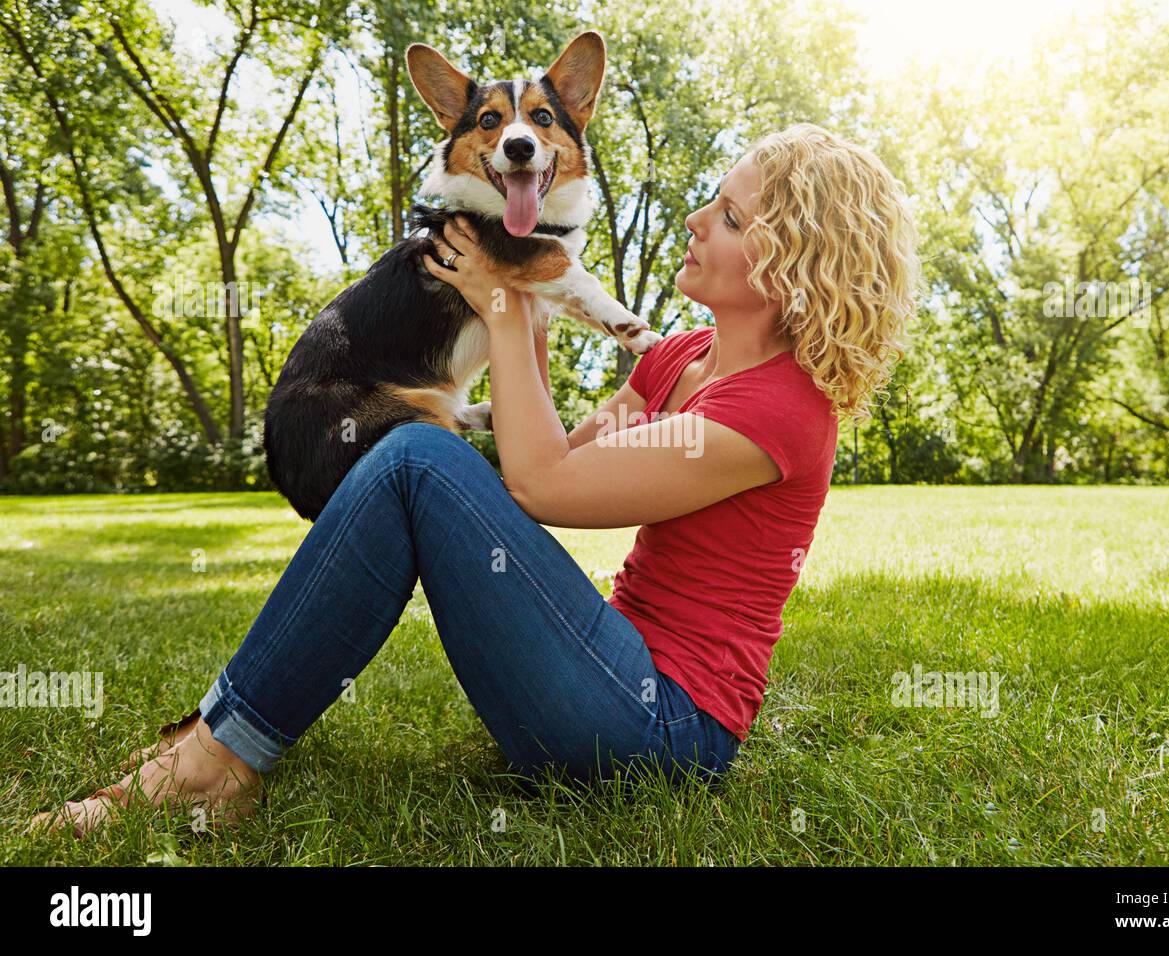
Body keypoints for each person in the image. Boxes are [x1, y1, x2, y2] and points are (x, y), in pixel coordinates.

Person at [29, 122, 920, 836]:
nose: (695, 220)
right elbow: (562, 456)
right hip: (603, 670)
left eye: (727, 216)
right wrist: (514, 298)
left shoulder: (782, 409)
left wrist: (498, 302)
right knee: (419, 462)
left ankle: (212, 766)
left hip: (664, 729)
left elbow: (538, 488)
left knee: (418, 455)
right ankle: (222, 747)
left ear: (793, 261)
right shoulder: (683, 358)